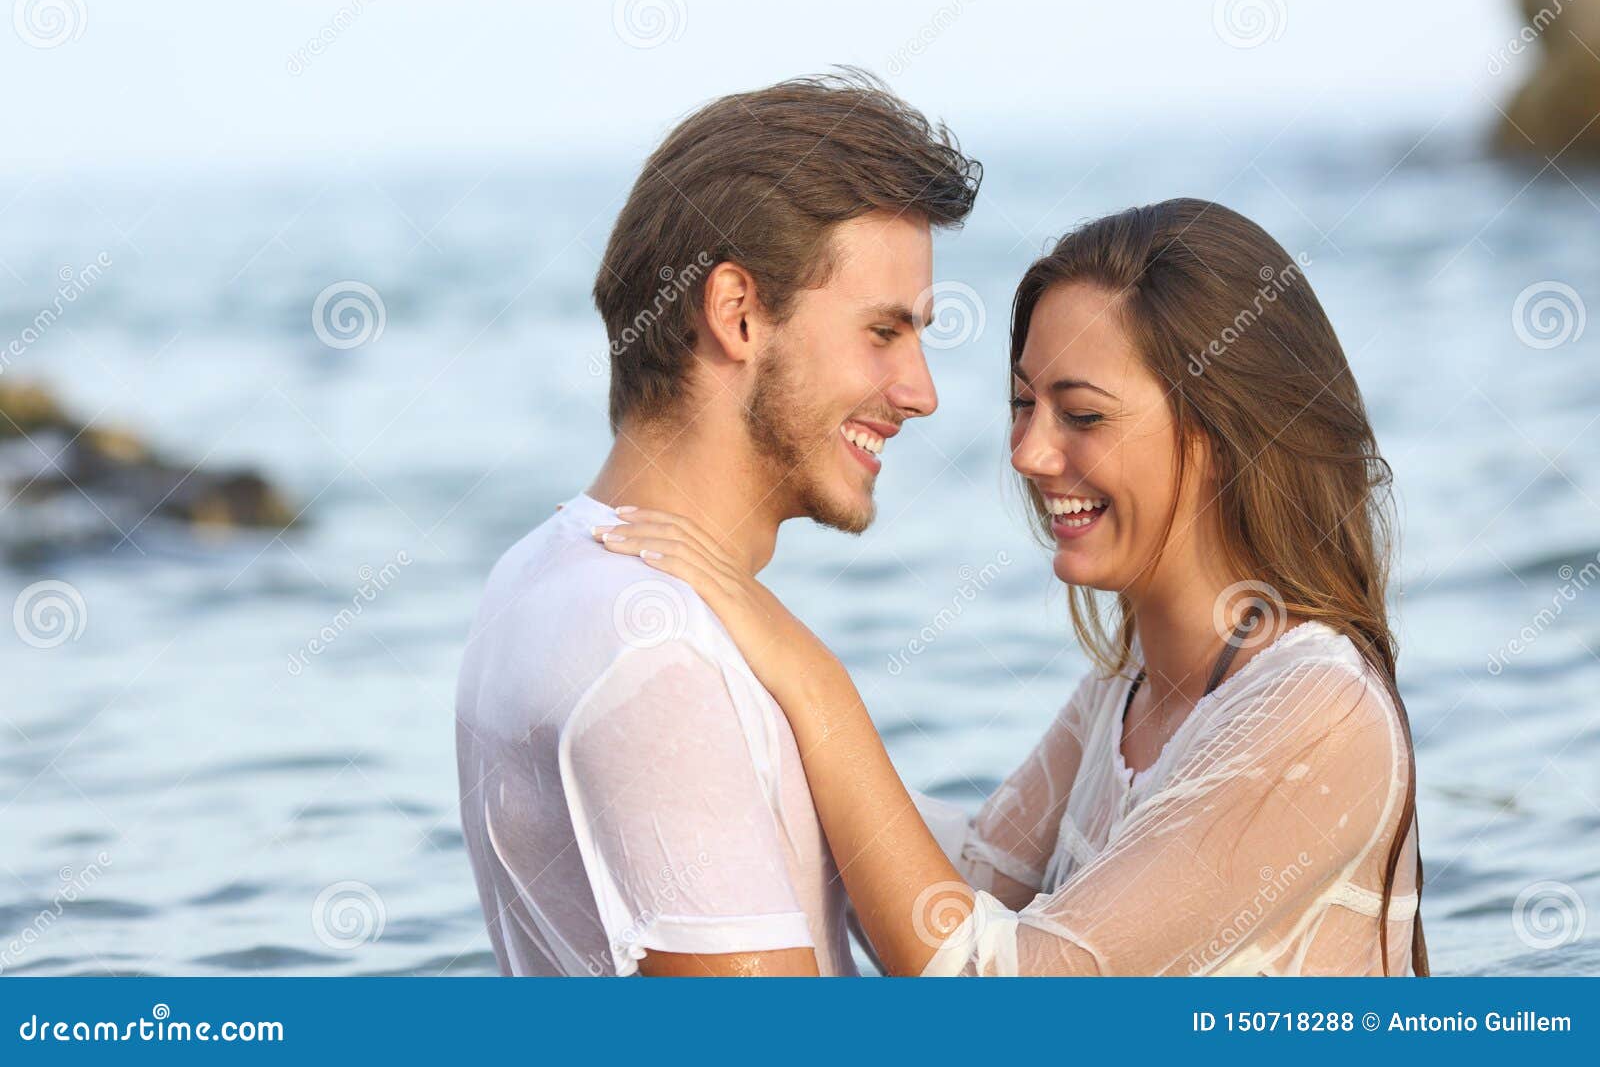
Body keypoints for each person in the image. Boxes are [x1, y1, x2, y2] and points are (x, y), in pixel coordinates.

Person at [592, 198, 1431, 976]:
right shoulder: (1130, 685)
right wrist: (738, 704)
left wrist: (811, 682)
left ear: (1225, 433)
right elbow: (967, 882)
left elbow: (997, 991)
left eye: (1083, 415)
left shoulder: (1316, 712)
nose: (1028, 452)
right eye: (1023, 404)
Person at [454, 71, 981, 976]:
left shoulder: (540, 575)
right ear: (737, 314)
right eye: (884, 333)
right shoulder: (656, 651)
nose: (921, 393)